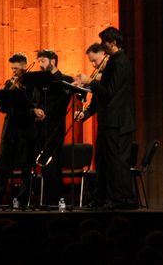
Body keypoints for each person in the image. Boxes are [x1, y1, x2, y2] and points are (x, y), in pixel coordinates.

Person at [75, 27, 136, 210]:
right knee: (102, 160)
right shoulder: (113, 62)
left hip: (117, 122)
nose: (103, 45)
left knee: (116, 162)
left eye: (105, 43)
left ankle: (121, 199)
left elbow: (109, 92)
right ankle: (102, 197)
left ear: (114, 43)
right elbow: (102, 96)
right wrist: (86, 113)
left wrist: (90, 82)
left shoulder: (120, 63)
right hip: (109, 121)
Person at [0, 53, 45, 209]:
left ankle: (22, 201)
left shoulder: (33, 83)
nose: (14, 72)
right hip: (10, 131)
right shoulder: (9, 83)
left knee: (27, 167)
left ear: (25, 66)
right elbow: (4, 108)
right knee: (2, 166)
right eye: (12, 68)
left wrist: (20, 92)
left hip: (26, 131)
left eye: (17, 69)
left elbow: (35, 105)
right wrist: (8, 91)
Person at [34, 49, 73, 207]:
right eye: (40, 62)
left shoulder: (65, 80)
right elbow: (35, 99)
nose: (41, 65)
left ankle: (57, 198)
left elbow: (62, 103)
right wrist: (35, 110)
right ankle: (49, 199)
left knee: (53, 161)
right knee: (43, 162)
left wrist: (47, 113)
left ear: (53, 61)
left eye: (43, 61)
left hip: (55, 125)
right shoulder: (39, 80)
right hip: (39, 126)